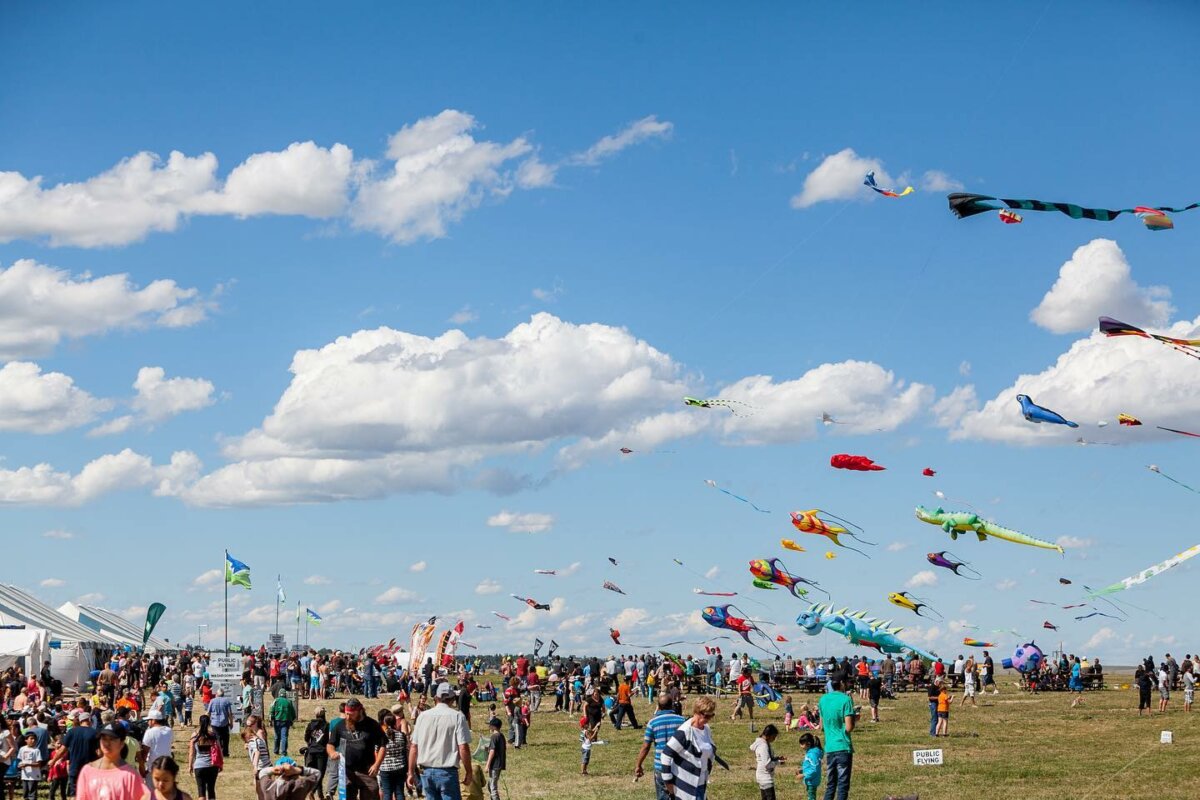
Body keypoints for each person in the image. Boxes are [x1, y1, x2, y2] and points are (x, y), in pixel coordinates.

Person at [407, 684, 471, 800]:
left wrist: (411, 772)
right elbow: (463, 747)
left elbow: (414, 747)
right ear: (452, 699)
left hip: (426, 771)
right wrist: (469, 771)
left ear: (436, 698)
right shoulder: (457, 717)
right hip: (447, 772)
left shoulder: (423, 716)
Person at [660, 696, 720, 800]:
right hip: (685, 788)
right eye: (707, 716)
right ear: (697, 713)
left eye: (712, 715)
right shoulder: (685, 732)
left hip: (701, 784)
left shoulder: (706, 729)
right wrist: (668, 783)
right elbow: (665, 755)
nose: (709, 719)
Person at [75, 724, 146, 800]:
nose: (107, 743)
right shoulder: (87, 771)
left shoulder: (130, 775)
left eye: (112, 739)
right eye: (104, 739)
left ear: (122, 743)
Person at [634, 695, 685, 800]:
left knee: (663, 795)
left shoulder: (653, 723)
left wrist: (638, 765)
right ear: (671, 705)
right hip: (679, 765)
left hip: (661, 765)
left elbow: (646, 746)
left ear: (658, 706)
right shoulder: (682, 721)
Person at [818, 678, 855, 800]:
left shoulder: (823, 699)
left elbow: (821, 726)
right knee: (843, 784)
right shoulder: (846, 699)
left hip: (829, 747)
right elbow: (849, 727)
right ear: (842, 683)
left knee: (831, 784)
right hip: (843, 746)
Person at [63, 712, 99, 798]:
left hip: (74, 767)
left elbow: (63, 749)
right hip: (90, 768)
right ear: (89, 720)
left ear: (80, 721)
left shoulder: (71, 732)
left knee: (74, 793)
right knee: (89, 793)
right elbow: (100, 752)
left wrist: (53, 760)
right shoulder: (95, 733)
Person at [186, 717, 221, 800]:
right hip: (212, 765)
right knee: (211, 790)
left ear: (199, 722)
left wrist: (190, 765)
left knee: (201, 791)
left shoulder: (195, 735)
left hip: (199, 765)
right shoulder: (213, 735)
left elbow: (191, 753)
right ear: (209, 723)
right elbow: (219, 750)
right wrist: (220, 764)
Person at [377, 714, 407, 800]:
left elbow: (377, 750)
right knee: (400, 792)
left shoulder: (381, 736)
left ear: (384, 723)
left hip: (385, 768)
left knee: (387, 792)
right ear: (395, 722)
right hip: (400, 767)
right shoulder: (401, 735)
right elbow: (405, 750)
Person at [749, 724, 782, 800]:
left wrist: (776, 758)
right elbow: (767, 764)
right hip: (765, 777)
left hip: (762, 776)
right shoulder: (763, 746)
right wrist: (779, 762)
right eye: (773, 737)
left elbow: (767, 758)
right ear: (768, 735)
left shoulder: (762, 743)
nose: (774, 739)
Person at [301, 708, 328, 791]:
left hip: (312, 751)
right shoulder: (327, 725)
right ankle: (312, 791)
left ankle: (319, 794)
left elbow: (306, 737)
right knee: (320, 773)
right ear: (324, 715)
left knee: (314, 773)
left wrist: (310, 745)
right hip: (322, 752)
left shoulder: (310, 724)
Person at [204, 693, 233, 759]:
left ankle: (218, 752)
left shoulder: (212, 701)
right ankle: (225, 753)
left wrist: (206, 722)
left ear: (217, 694)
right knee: (225, 738)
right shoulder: (226, 701)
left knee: (217, 738)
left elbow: (208, 712)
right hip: (224, 722)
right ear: (223, 694)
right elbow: (230, 714)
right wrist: (231, 723)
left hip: (215, 723)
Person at [483, 718, 504, 800]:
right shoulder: (501, 736)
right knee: (490, 784)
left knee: (493, 788)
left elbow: (492, 751)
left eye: (490, 725)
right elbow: (497, 749)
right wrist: (487, 748)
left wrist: (487, 765)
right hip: (499, 764)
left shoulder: (494, 737)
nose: (489, 726)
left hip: (495, 765)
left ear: (494, 727)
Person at [797, 733, 822, 800]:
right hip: (811, 780)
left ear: (808, 744)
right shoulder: (810, 753)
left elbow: (814, 769)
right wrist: (802, 770)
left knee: (811, 797)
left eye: (802, 744)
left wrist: (803, 775)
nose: (800, 746)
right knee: (810, 796)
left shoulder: (812, 754)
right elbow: (810, 766)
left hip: (812, 781)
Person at [18, 732, 42, 800]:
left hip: (33, 775)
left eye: (34, 739)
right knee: (25, 793)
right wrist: (19, 765)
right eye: (31, 739)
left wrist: (27, 764)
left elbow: (38, 764)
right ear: (26, 740)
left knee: (32, 793)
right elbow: (20, 760)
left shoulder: (36, 750)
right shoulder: (22, 749)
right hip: (25, 774)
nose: (33, 740)